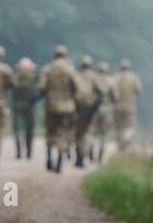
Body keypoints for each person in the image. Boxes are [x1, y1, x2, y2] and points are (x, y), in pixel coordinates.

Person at [38, 45, 87, 173]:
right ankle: (60, 157)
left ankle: (49, 155)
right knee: (63, 132)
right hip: (67, 106)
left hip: (51, 105)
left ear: (54, 55)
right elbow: (79, 89)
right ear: (65, 55)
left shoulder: (47, 69)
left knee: (50, 131)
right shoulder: (70, 70)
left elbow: (41, 86)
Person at [72, 54, 100, 167]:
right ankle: (84, 156)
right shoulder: (94, 77)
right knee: (87, 133)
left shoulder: (76, 75)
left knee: (78, 133)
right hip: (89, 108)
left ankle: (79, 157)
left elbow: (71, 90)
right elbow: (101, 92)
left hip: (77, 108)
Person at [11, 56, 38, 159]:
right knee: (29, 130)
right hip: (30, 107)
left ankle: (18, 152)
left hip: (17, 105)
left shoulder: (16, 77)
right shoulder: (33, 77)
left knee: (17, 129)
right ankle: (29, 152)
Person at [91, 60, 118, 164]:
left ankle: (91, 151)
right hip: (107, 108)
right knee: (104, 134)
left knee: (93, 132)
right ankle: (100, 156)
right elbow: (116, 96)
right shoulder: (111, 81)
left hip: (94, 108)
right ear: (107, 71)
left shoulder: (94, 79)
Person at [114, 58, 143, 150]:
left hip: (117, 106)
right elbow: (139, 91)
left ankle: (120, 145)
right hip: (129, 106)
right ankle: (126, 139)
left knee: (118, 127)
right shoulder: (134, 77)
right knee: (129, 126)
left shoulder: (116, 77)